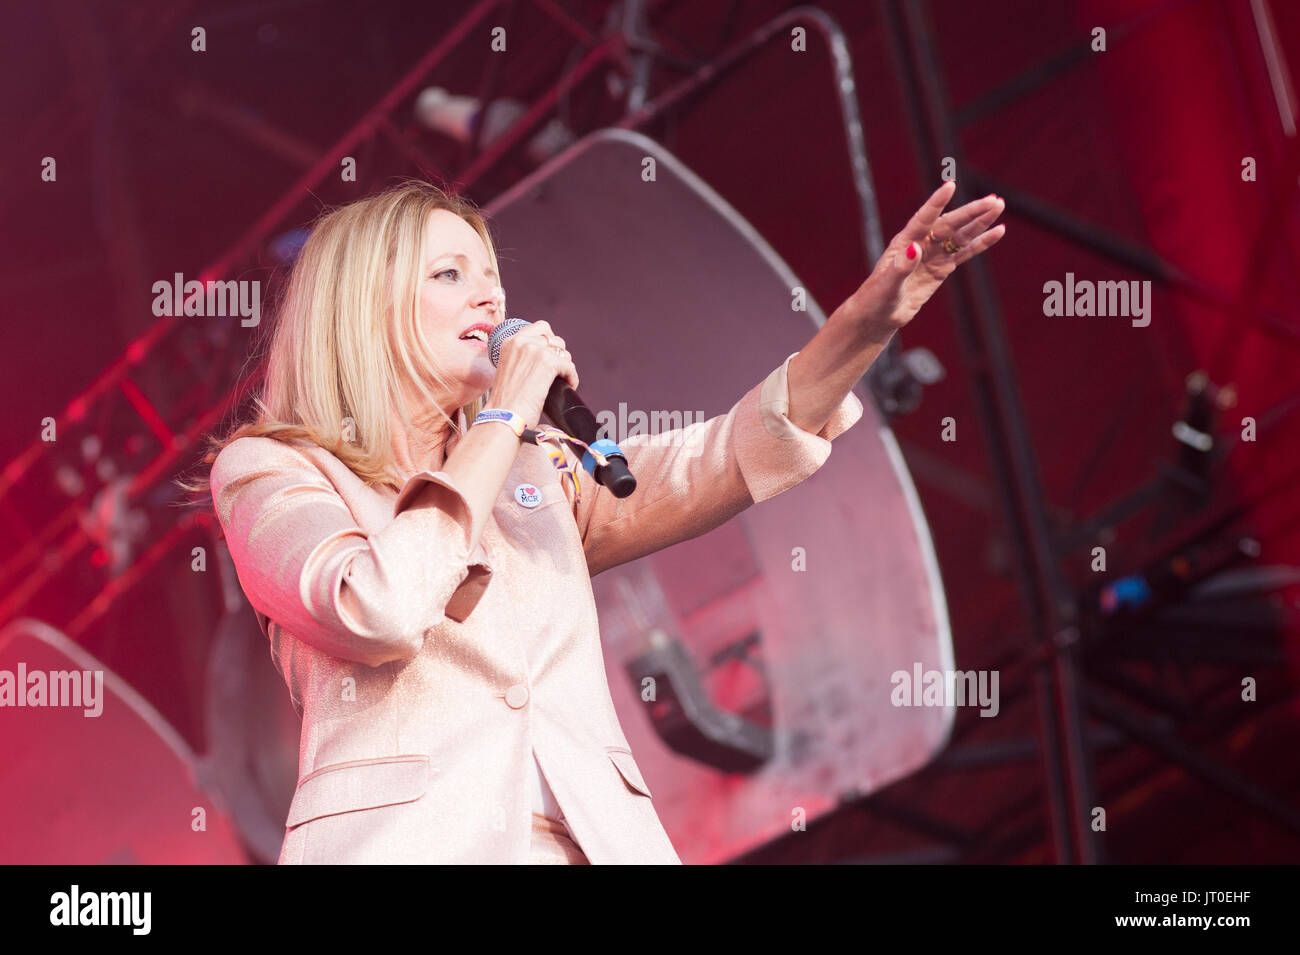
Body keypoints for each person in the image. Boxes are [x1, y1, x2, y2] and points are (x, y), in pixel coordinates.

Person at [183, 178, 1004, 864]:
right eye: (449, 274)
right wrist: (503, 418)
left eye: (491, 272)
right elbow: (378, 606)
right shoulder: (271, 468)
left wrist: (867, 318)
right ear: (365, 308)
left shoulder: (535, 471)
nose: (490, 294)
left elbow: (720, 454)